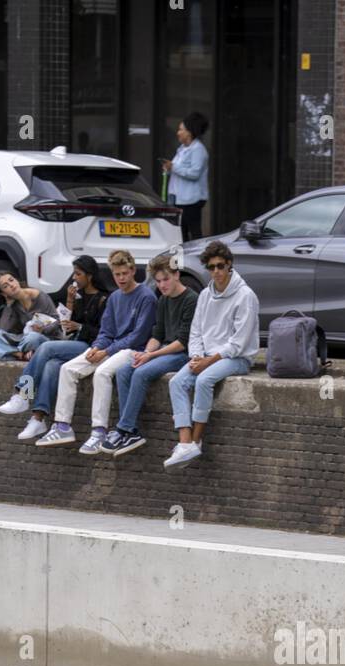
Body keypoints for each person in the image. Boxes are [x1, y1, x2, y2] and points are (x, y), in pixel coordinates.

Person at [35, 250, 156, 455]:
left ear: (133, 271)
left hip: (131, 349)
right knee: (66, 368)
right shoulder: (114, 298)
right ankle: (61, 425)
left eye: (125, 274)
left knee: (99, 372)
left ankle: (98, 431)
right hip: (106, 347)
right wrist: (97, 347)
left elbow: (137, 336)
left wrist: (104, 350)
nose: (121, 279)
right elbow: (106, 331)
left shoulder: (145, 297)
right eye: (117, 275)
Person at [163, 241, 259, 471]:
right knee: (177, 382)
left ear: (229, 266)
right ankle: (185, 444)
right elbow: (195, 331)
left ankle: (197, 441)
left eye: (220, 266)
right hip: (206, 356)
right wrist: (196, 356)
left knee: (204, 380)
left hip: (237, 358)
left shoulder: (245, 296)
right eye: (211, 267)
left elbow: (239, 343)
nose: (216, 271)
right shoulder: (205, 295)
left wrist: (208, 361)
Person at [0, 256, 109, 441]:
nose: (75, 277)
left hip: (90, 346)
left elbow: (105, 332)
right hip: (73, 343)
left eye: (78, 274)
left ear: (90, 276)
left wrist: (80, 327)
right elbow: (64, 329)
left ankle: (23, 394)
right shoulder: (79, 296)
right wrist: (70, 301)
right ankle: (38, 418)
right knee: (51, 366)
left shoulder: (103, 299)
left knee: (47, 348)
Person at [100, 253, 198, 456]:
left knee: (141, 374)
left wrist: (151, 356)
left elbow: (182, 342)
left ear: (177, 275)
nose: (162, 285)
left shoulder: (191, 299)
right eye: (159, 281)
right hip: (164, 350)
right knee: (125, 370)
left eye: (166, 279)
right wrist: (145, 353)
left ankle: (123, 428)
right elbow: (157, 334)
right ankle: (133, 432)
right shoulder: (163, 301)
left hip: (184, 354)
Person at [0, 272, 60, 360]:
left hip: (44, 338)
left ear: (16, 280)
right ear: (4, 293)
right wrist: (9, 305)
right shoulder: (14, 304)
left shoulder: (39, 296)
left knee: (32, 337)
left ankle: (9, 353)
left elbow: (57, 322)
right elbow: (4, 330)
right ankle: (19, 354)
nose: (11, 285)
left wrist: (43, 329)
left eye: (11, 280)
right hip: (23, 339)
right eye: (5, 286)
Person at [163, 112, 210, 242]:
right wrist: (168, 169)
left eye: (181, 129)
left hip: (191, 200)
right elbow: (178, 169)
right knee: (180, 234)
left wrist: (173, 167)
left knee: (194, 233)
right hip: (180, 199)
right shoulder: (183, 149)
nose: (178, 132)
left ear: (189, 132)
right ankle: (182, 258)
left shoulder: (198, 150)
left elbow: (194, 173)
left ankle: (197, 258)